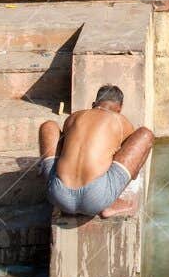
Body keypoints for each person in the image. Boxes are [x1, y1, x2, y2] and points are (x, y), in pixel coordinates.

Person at [37, 84, 154, 218]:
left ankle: (43, 170)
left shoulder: (74, 117)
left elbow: (65, 148)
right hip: (96, 199)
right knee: (146, 134)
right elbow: (130, 161)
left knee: (49, 126)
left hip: (58, 195)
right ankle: (110, 203)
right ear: (119, 109)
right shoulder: (121, 121)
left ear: (94, 104)